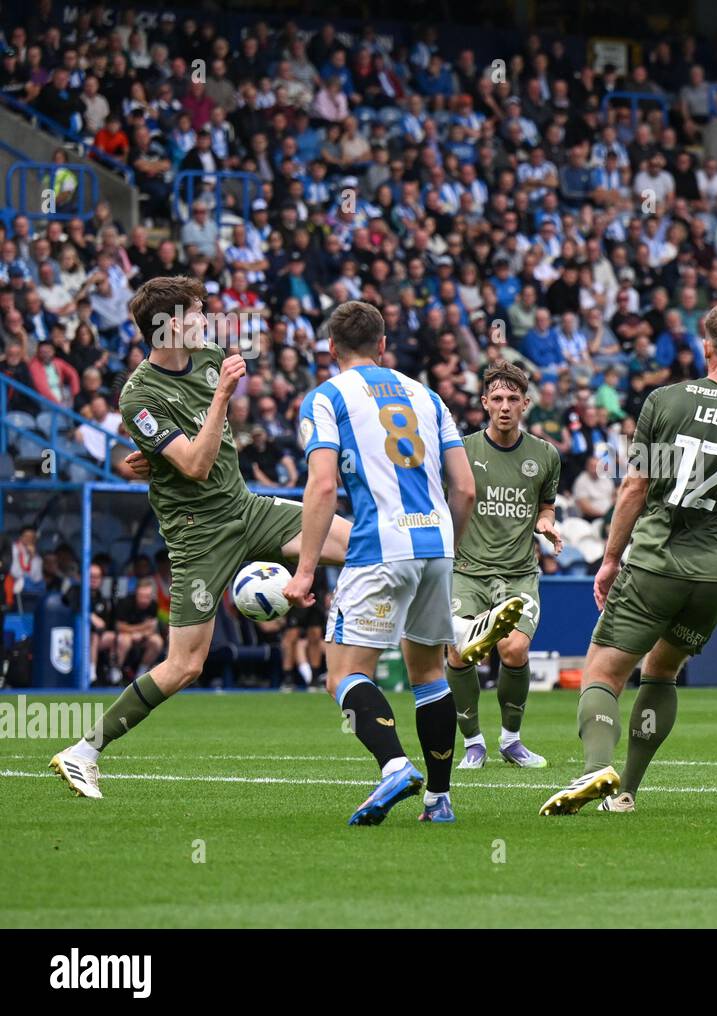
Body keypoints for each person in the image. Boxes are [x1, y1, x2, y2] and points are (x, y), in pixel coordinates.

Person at [51, 276, 355, 800]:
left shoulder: (211, 353)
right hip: (199, 536)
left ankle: (450, 630)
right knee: (185, 665)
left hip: (245, 507)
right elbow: (194, 464)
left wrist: (159, 457)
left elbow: (193, 451)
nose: (206, 321)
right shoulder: (138, 395)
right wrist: (218, 400)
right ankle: (83, 752)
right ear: (168, 325)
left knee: (359, 544)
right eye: (196, 313)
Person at [539, 303, 717, 815]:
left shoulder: (666, 401)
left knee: (603, 675)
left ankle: (595, 769)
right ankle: (626, 790)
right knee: (662, 674)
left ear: (706, 347)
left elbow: (635, 485)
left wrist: (610, 558)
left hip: (656, 562)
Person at [283, 301, 519, 826]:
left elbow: (322, 484)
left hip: (378, 547)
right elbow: (466, 488)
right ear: (383, 345)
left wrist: (303, 572)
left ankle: (393, 765)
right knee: (429, 675)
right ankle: (439, 801)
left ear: (331, 349)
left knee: (342, 675)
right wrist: (447, 547)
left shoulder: (325, 398)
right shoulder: (428, 396)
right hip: (436, 544)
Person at [446, 361, 563, 769]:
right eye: (497, 398)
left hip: (518, 574)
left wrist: (546, 523)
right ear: (484, 403)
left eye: (513, 398)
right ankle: (473, 742)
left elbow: (545, 505)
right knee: (460, 654)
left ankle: (511, 740)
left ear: (526, 403)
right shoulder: (462, 451)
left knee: (513, 649)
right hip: (468, 572)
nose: (505, 406)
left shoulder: (545, 455)